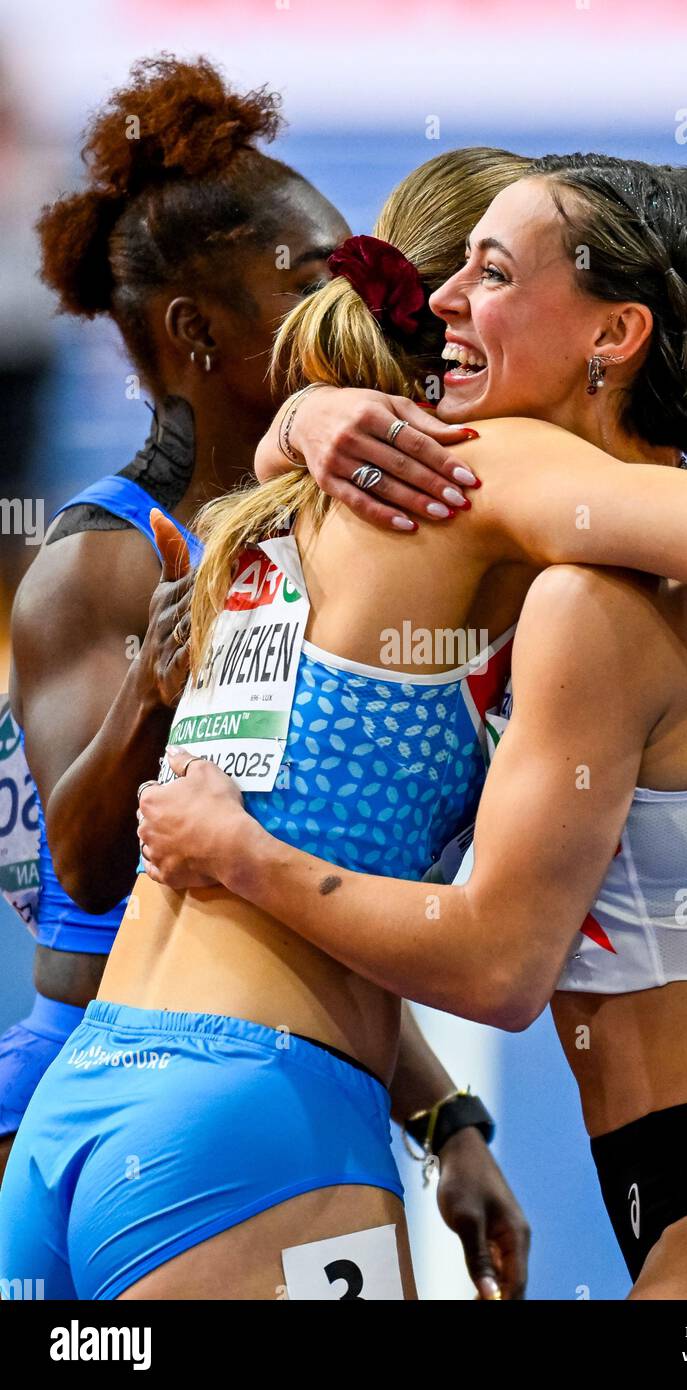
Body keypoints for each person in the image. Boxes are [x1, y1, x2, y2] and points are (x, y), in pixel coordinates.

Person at [0, 150, 687, 1302]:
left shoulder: (273, 505)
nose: (447, 302)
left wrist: (300, 416)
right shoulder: (474, 469)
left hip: (82, 1114)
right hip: (260, 1128)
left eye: (496, 274)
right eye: (471, 270)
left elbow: (109, 872)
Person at [0, 56, 531, 1296]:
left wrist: (446, 1117)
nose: (349, 304)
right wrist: (153, 688)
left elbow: (275, 910)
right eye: (307, 280)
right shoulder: (106, 560)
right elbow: (89, 866)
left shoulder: (303, 526)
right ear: (195, 332)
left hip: (200, 1080)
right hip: (117, 1100)